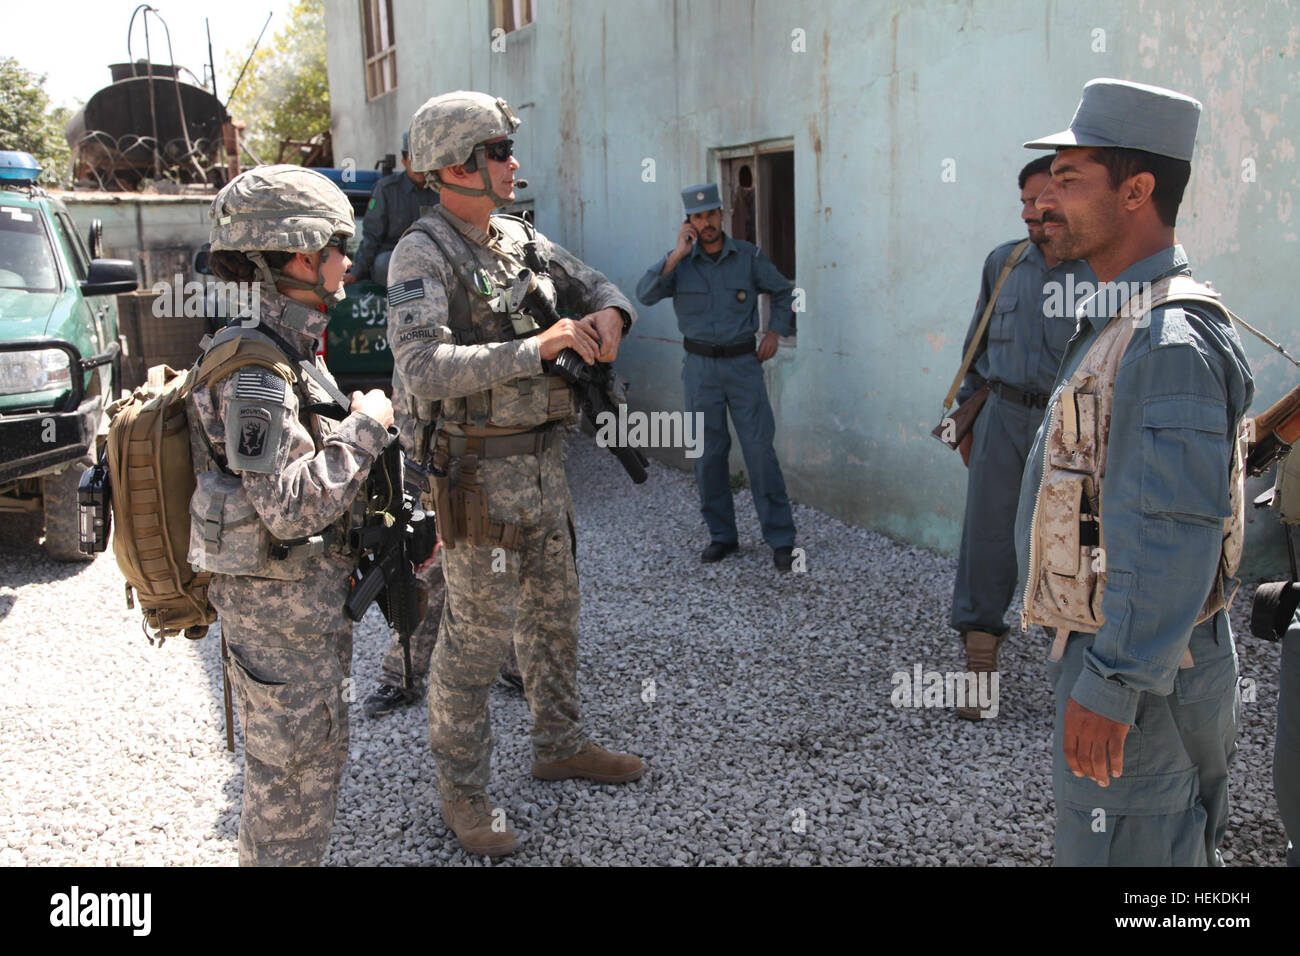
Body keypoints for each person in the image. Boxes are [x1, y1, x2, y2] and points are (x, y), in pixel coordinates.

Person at [386, 90, 644, 857]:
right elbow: (423, 366)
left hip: (540, 464)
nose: (513, 163)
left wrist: (611, 320)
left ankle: (558, 743)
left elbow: (600, 286)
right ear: (458, 167)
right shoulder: (421, 252)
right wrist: (535, 349)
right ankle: (464, 796)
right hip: (475, 477)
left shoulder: (517, 238)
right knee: (473, 642)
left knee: (554, 614)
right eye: (499, 152)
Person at [1015, 78, 1254, 865]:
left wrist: (1113, 684)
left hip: (1149, 672)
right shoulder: (1127, 317)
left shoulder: (1168, 340)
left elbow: (1169, 533)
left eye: (1070, 177)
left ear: (1136, 191)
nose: (1047, 196)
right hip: (1136, 656)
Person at [191, 164, 395, 865]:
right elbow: (284, 507)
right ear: (302, 255)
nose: (348, 263)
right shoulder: (255, 372)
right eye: (339, 247)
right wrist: (368, 424)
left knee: (304, 782)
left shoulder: (284, 350)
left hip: (300, 616)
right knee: (289, 797)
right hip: (281, 628)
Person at [949, 156, 1094, 719]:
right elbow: (975, 347)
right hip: (1002, 416)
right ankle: (980, 663)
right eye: (1026, 202)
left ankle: (1084, 671)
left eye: (1044, 201)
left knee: (1079, 541)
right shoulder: (1003, 263)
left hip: (1071, 422)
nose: (1033, 212)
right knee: (986, 539)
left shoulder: (1099, 272)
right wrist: (967, 419)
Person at [635, 184, 798, 570]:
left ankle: (781, 540)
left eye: (711, 214)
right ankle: (722, 536)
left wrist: (775, 332)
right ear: (687, 222)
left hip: (743, 366)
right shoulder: (679, 264)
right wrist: (677, 254)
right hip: (700, 369)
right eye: (697, 217)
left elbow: (782, 291)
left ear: (722, 214)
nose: (706, 223)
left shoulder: (748, 257)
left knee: (759, 453)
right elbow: (643, 294)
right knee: (708, 456)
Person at [344, 130, 439, 288]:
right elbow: (371, 237)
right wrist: (356, 272)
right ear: (404, 161)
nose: (420, 166)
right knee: (386, 263)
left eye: (424, 159)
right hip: (394, 258)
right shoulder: (387, 190)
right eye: (414, 159)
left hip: (433, 258)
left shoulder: (441, 190)